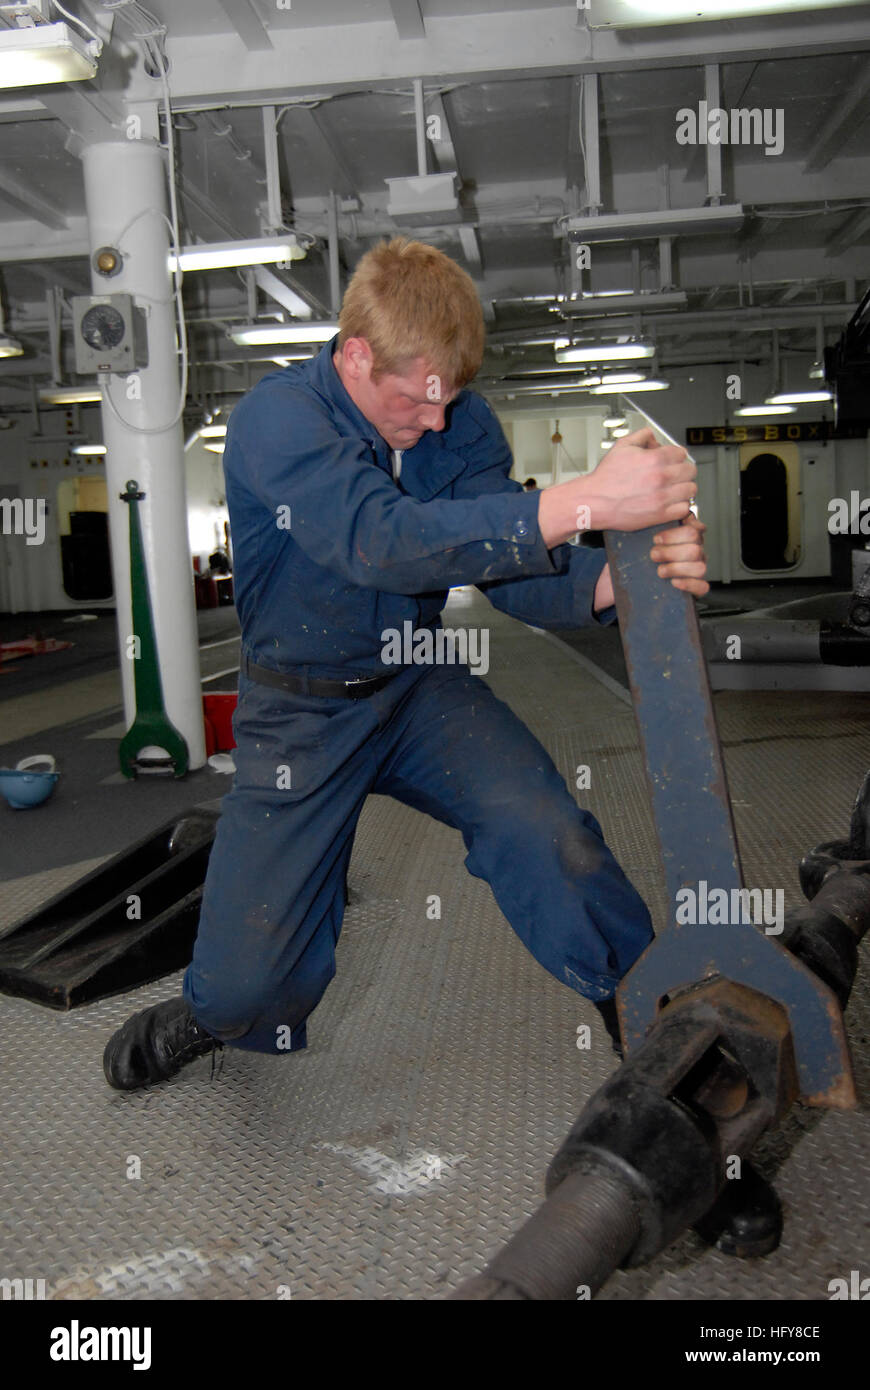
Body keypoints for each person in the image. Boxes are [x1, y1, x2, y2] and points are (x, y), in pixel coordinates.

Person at [103, 237, 707, 1085]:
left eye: (449, 398)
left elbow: (498, 561)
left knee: (549, 835)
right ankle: (213, 1012)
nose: (436, 420)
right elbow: (379, 543)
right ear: (355, 355)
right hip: (301, 709)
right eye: (416, 399)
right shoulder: (277, 422)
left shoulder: (457, 422)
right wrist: (584, 501)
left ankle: (659, 1029)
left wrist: (611, 580)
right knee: (250, 983)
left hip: (419, 684)